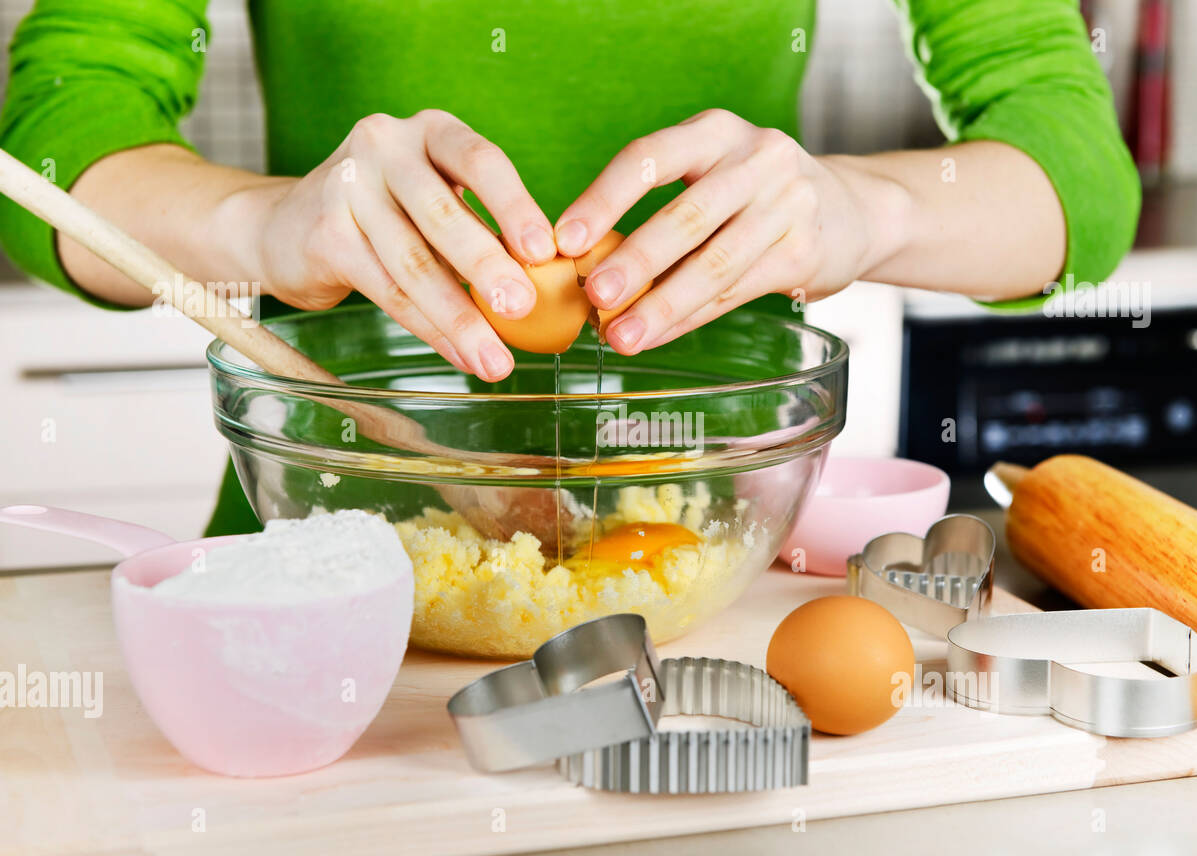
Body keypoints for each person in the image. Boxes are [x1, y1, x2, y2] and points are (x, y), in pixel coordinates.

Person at [0, 0, 1138, 535]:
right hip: (319, 569)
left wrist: (865, 206)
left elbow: (1077, 180)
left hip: (705, 581)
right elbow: (51, 141)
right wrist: (261, 229)